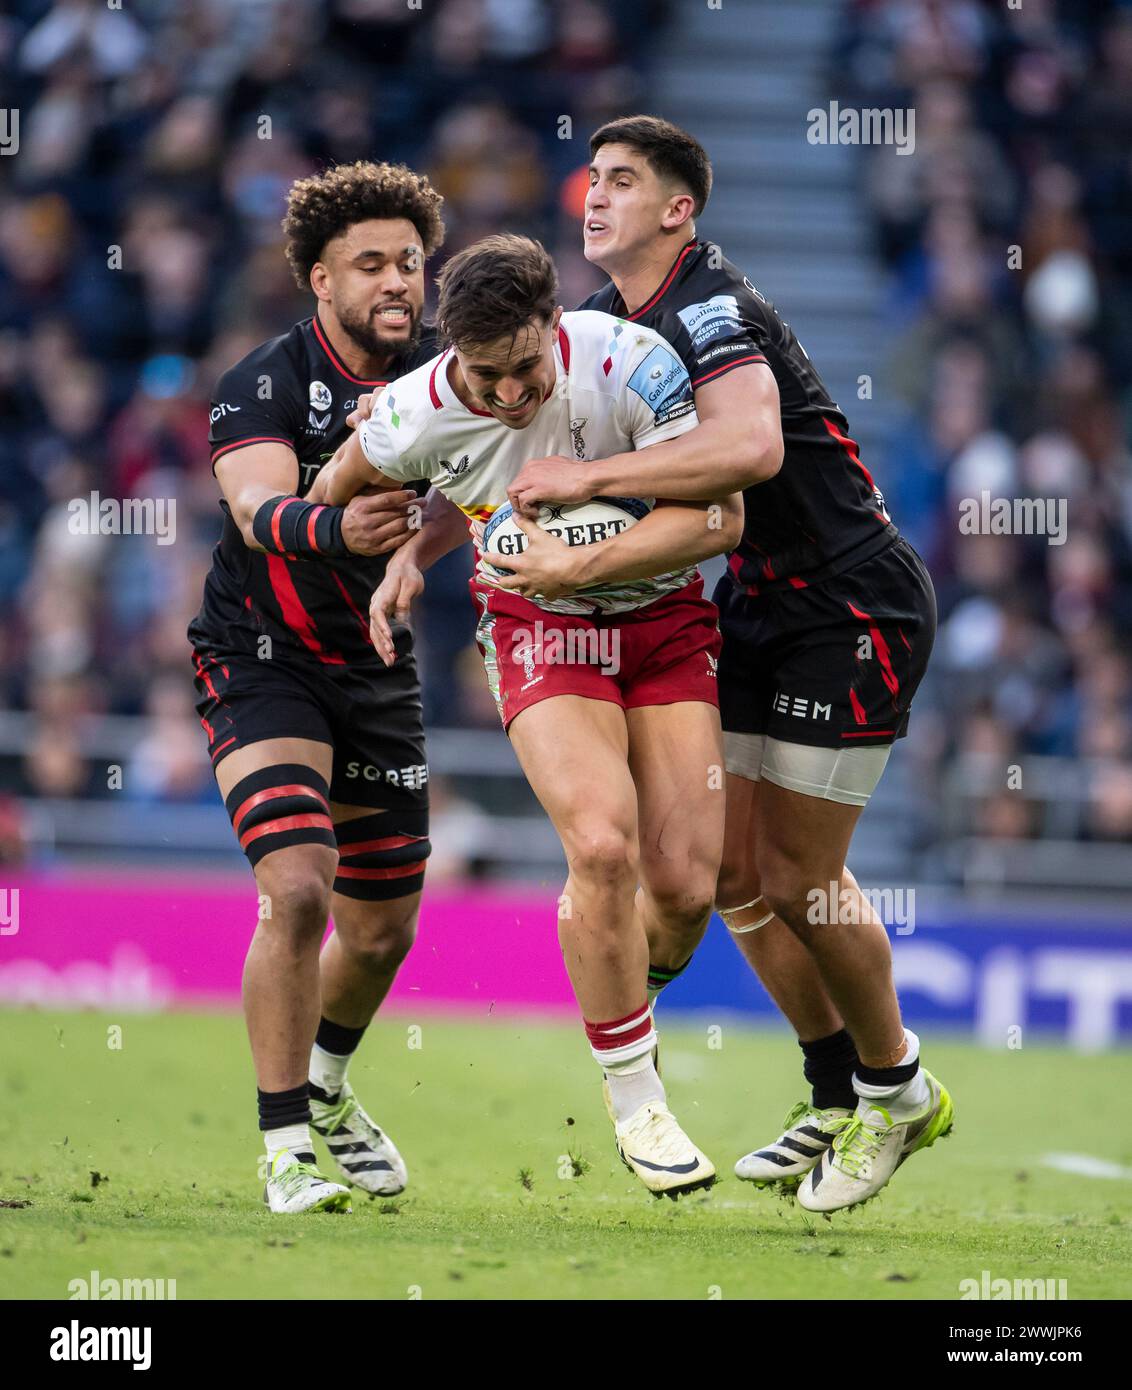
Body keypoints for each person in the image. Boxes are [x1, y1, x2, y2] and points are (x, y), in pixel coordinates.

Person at [503, 116, 953, 1214]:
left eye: (622, 181)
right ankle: (833, 1087)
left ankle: (899, 1091)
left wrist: (580, 489)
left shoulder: (712, 305)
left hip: (850, 603)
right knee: (734, 876)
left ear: (678, 210)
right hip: (752, 600)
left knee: (801, 874)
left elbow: (751, 451)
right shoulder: (608, 323)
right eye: (590, 179)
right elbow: (500, 440)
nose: (595, 196)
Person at [311, 233, 743, 1196]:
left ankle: (612, 973)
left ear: (556, 324)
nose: (508, 395)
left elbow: (722, 519)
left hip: (667, 622)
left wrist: (578, 556)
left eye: (523, 368)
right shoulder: (411, 414)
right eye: (483, 374)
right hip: (539, 629)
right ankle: (639, 1100)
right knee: (599, 847)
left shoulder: (634, 364)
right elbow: (340, 491)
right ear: (449, 354)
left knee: (681, 894)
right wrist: (392, 552)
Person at [188, 161, 445, 1214]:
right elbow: (257, 508)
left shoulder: (445, 375)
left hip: (375, 671)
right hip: (258, 659)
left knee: (382, 930)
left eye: (412, 263)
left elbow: (481, 478)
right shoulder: (263, 382)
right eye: (371, 264)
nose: (398, 281)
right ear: (320, 281)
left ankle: (330, 1085)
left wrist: (419, 552)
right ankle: (286, 1146)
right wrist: (340, 526)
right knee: (297, 888)